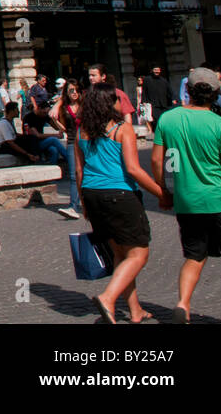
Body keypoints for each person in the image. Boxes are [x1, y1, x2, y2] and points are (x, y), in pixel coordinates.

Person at [76, 83, 166, 324]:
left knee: (119, 254)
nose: (119, 102)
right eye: (116, 99)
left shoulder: (82, 129)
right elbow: (134, 170)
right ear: (108, 102)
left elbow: (79, 169)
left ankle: (135, 310)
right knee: (139, 254)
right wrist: (160, 192)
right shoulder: (122, 129)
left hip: (92, 195)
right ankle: (108, 297)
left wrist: (83, 201)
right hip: (120, 195)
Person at [152, 67, 221, 324]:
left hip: (186, 201)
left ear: (189, 91)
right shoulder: (220, 125)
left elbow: (157, 161)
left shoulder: (168, 120)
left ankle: (183, 304)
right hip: (219, 199)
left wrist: (165, 191)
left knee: (195, 256)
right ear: (215, 93)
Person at [50, 80, 84, 220]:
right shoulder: (64, 108)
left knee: (90, 172)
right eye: (71, 90)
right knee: (73, 174)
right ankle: (73, 206)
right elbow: (63, 128)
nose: (74, 93)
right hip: (71, 141)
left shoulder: (85, 104)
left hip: (86, 141)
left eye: (76, 90)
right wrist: (56, 120)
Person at [143, 65, 173, 133]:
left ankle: (164, 133)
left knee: (164, 120)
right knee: (156, 120)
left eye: (158, 70)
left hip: (164, 104)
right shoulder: (147, 80)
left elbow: (169, 92)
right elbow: (144, 91)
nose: (157, 71)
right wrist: (144, 101)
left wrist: (171, 100)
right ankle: (158, 133)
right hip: (153, 104)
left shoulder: (164, 81)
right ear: (152, 70)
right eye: (155, 70)